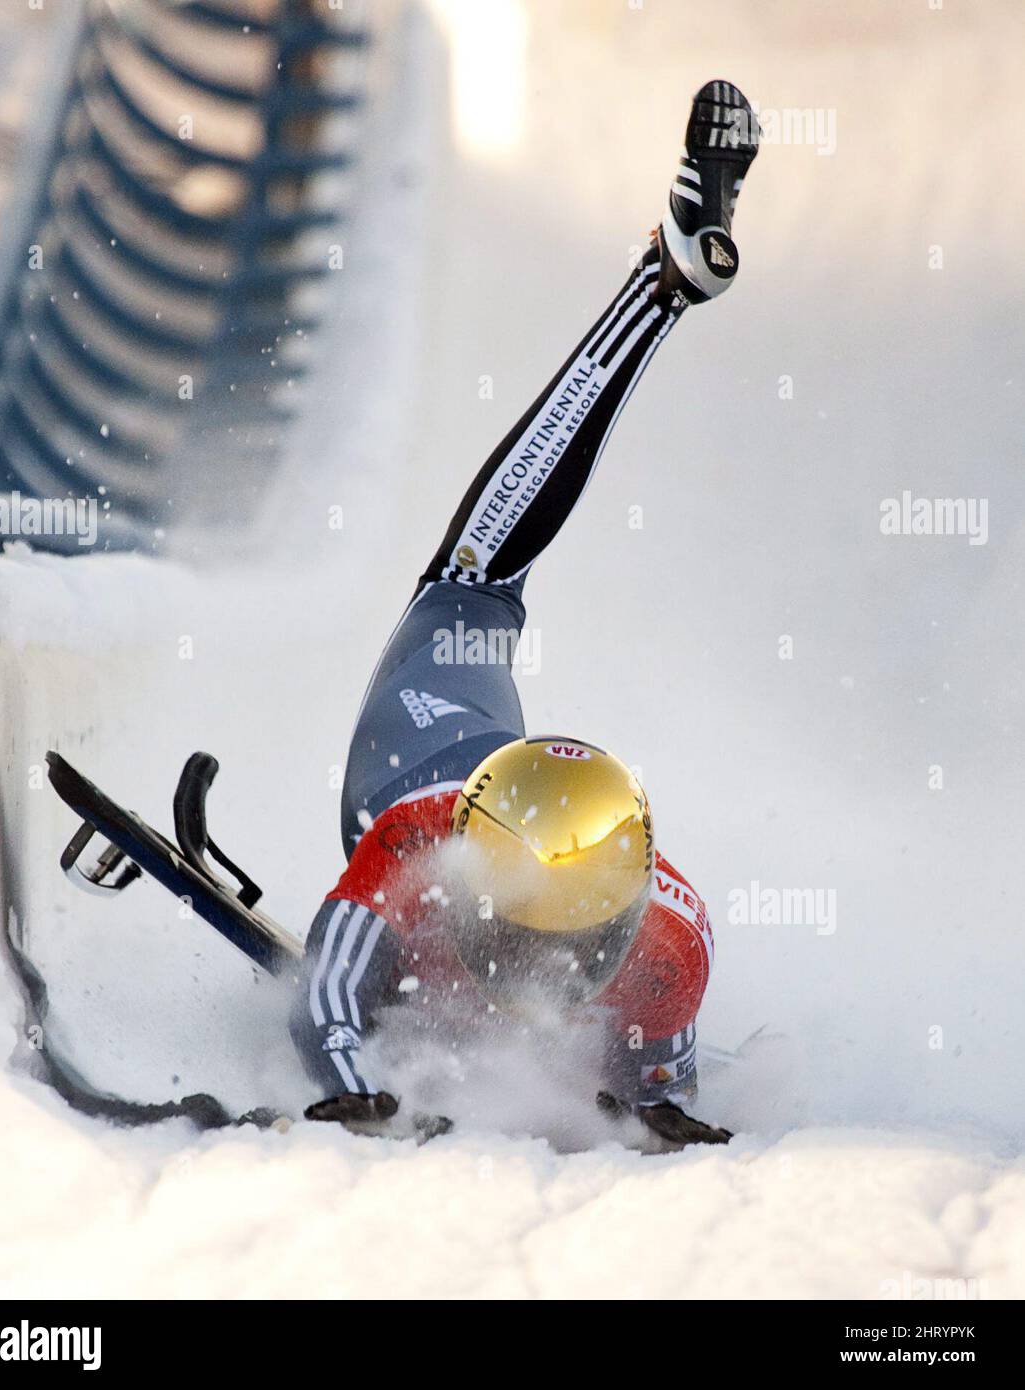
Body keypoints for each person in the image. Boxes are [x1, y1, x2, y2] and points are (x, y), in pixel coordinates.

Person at [289, 81, 759, 1147]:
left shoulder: (671, 940)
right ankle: (659, 283)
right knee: (472, 584)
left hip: (477, 772)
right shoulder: (412, 849)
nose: (546, 972)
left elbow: (657, 1085)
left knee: (478, 580)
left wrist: (661, 1106)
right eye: (523, 939)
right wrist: (356, 1082)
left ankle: (664, 276)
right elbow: (328, 1003)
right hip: (425, 741)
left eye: (579, 945)